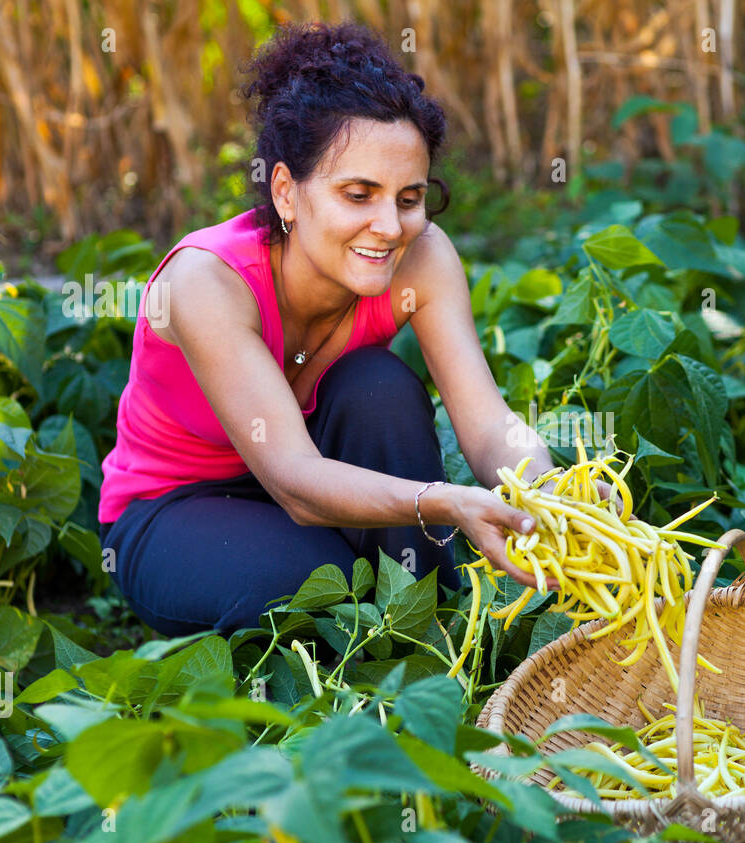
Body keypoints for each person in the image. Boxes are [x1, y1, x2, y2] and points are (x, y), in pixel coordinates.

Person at [96, 21, 613, 637]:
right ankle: (391, 634)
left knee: (378, 388)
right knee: (326, 595)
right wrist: (440, 503)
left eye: (408, 197)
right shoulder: (206, 283)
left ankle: (435, 640)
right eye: (358, 194)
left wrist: (552, 494)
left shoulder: (421, 257)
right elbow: (293, 480)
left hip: (322, 474)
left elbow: (488, 425)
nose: (389, 226)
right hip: (179, 508)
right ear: (287, 191)